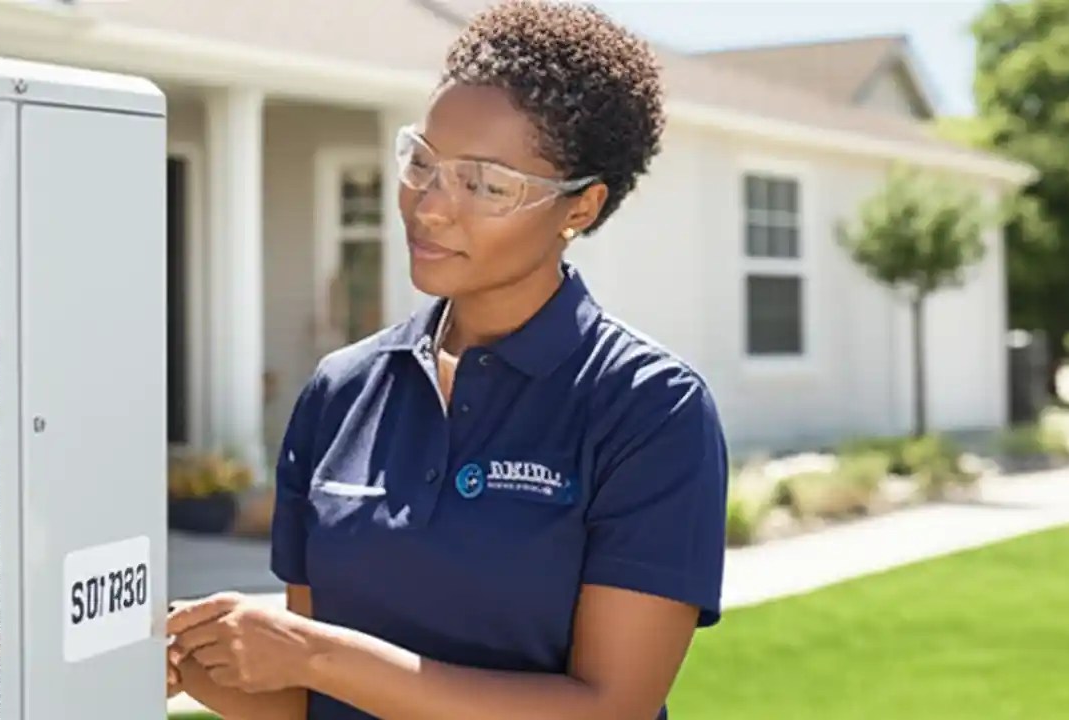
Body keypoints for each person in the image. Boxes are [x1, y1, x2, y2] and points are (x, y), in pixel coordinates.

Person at [166, 1, 729, 718]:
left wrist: (313, 652)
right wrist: (185, 657)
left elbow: (609, 708)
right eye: (422, 162)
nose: (429, 206)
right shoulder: (340, 393)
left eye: (486, 184)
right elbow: (309, 705)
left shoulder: (648, 408)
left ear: (580, 208)